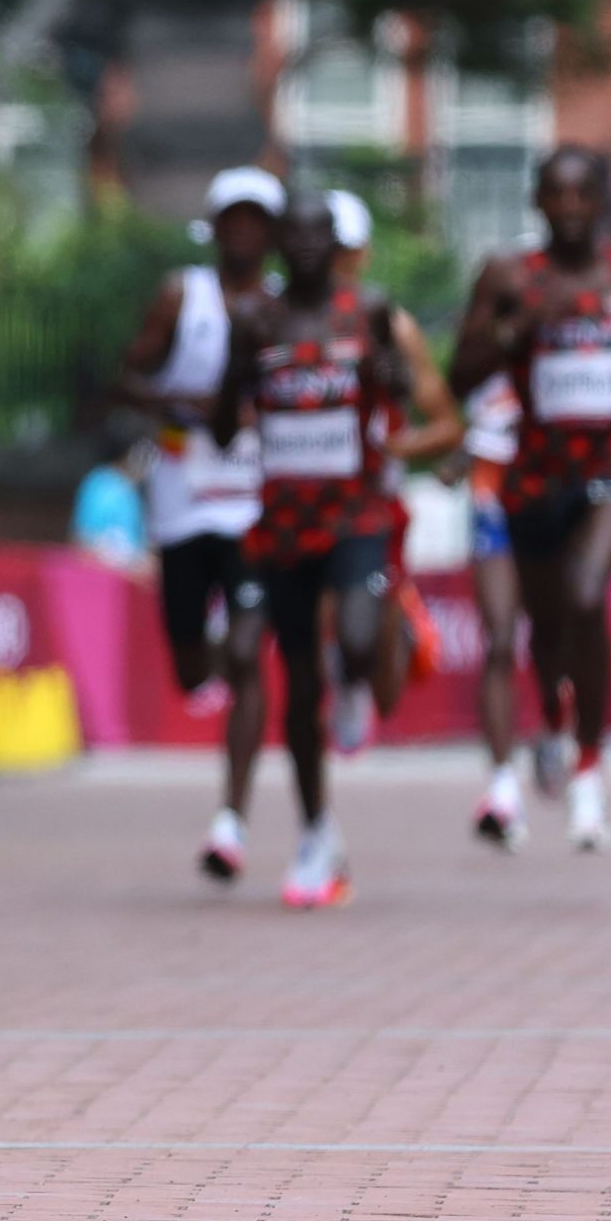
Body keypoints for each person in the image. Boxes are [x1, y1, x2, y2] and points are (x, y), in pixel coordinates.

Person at [446, 146, 611, 851]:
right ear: (538, 204)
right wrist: (508, 336)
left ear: (603, 202)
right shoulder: (508, 277)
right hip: (533, 476)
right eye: (558, 196)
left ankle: (589, 770)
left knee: (588, 595)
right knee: (547, 630)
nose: (572, 209)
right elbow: (459, 372)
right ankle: (555, 722)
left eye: (585, 195)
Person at [213, 189, 408, 909]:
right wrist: (237, 375)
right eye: (288, 237)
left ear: (336, 245)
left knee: (355, 639)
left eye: (314, 237)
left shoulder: (369, 312)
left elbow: (404, 391)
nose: (301, 249)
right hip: (283, 522)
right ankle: (315, 830)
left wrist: (388, 378)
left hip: (354, 511)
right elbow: (225, 427)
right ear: (274, 246)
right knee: (297, 689)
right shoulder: (255, 321)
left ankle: (358, 674)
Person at [117, 166, 280, 882]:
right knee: (192, 670)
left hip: (253, 502)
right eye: (232, 219)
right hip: (184, 502)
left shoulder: (285, 310)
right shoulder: (185, 296)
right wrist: (174, 401)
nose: (244, 232)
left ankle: (231, 821)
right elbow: (126, 376)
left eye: (257, 220)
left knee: (247, 658)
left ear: (273, 234)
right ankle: (217, 653)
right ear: (214, 230)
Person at [325, 187, 459, 754]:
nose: (328, 260)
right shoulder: (274, 320)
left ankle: (375, 651)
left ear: (363, 255)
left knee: (377, 659)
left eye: (341, 249)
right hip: (296, 500)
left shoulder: (391, 327)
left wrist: (390, 449)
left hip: (372, 507)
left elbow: (447, 424)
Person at [456, 371, 527, 843]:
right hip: (493, 505)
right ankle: (502, 784)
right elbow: (447, 414)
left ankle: (555, 734)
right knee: (499, 641)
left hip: (552, 499)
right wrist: (456, 452)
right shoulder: (477, 350)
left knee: (559, 642)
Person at [69, 417, 151, 575]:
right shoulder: (102, 486)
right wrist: (132, 565)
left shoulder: (128, 488)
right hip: (106, 582)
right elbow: (85, 541)